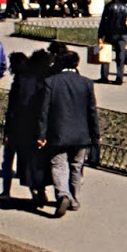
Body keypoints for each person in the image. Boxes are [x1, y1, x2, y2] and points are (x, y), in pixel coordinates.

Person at [36, 50, 99, 218]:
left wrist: (41, 135)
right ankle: (74, 199)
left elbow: (44, 111)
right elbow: (92, 111)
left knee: (59, 165)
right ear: (76, 64)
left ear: (61, 63)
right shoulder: (86, 83)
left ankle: (63, 194)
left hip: (58, 133)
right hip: (82, 134)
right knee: (76, 166)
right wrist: (95, 134)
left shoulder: (51, 82)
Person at [2, 50, 54, 208]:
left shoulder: (21, 81)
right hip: (36, 127)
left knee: (10, 159)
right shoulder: (43, 80)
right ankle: (39, 190)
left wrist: (7, 130)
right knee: (33, 162)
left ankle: (7, 191)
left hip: (18, 127)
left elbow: (13, 108)